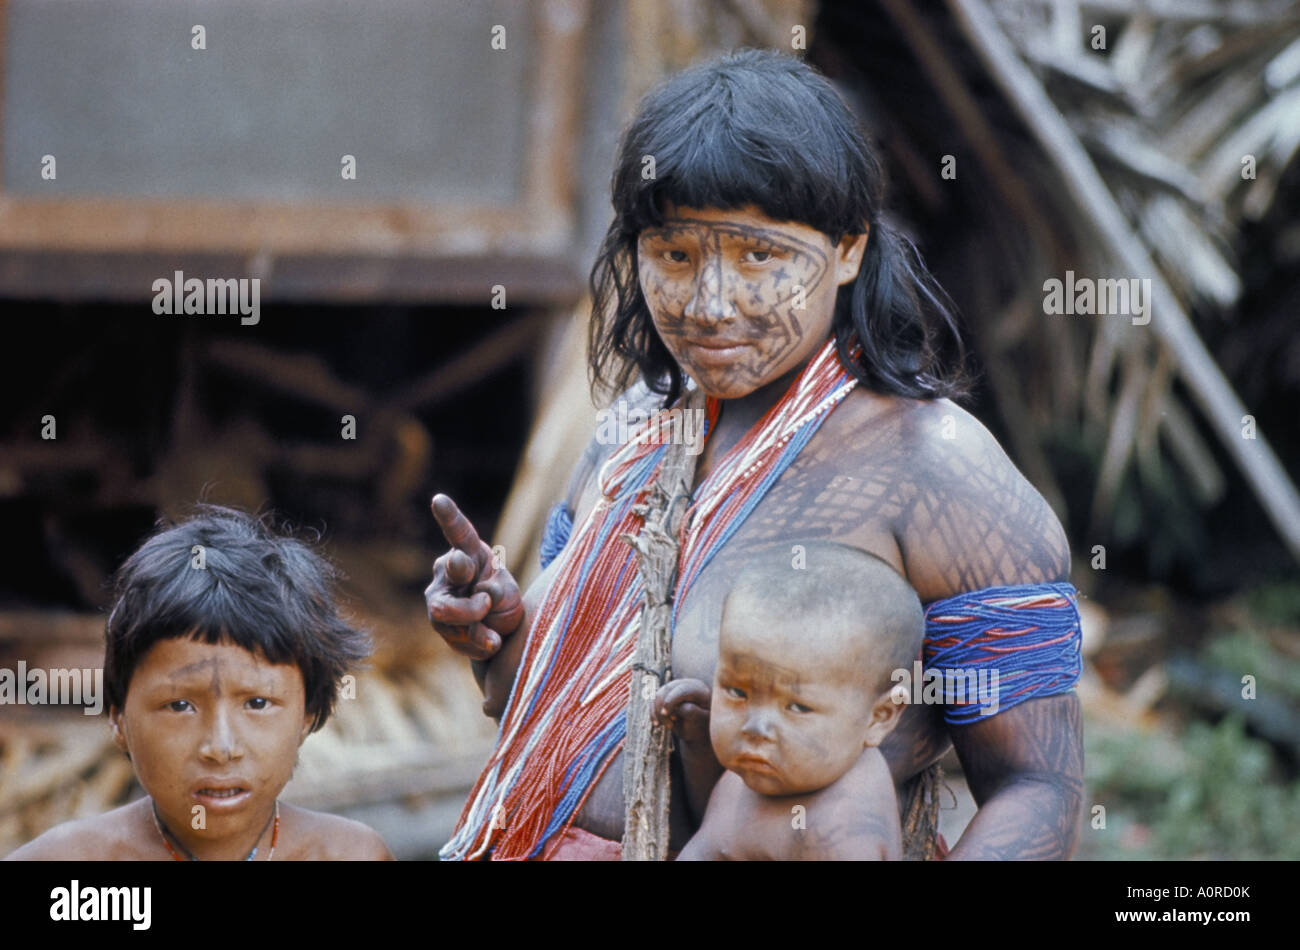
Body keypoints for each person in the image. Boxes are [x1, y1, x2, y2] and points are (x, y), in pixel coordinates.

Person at [428, 49, 1083, 861]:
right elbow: (578, 715)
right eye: (674, 255)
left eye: (759, 257)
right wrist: (505, 629)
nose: (709, 304)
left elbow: (1039, 789)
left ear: (847, 251)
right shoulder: (629, 432)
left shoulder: (937, 470)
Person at [6, 505, 394, 861]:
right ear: (118, 720)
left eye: (257, 703)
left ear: (308, 714)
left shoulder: (351, 855)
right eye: (179, 705)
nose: (220, 748)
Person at [663, 543, 921, 860]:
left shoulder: (841, 830)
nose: (755, 727)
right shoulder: (763, 770)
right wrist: (697, 741)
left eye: (797, 707)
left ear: (879, 717)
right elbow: (713, 839)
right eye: (737, 692)